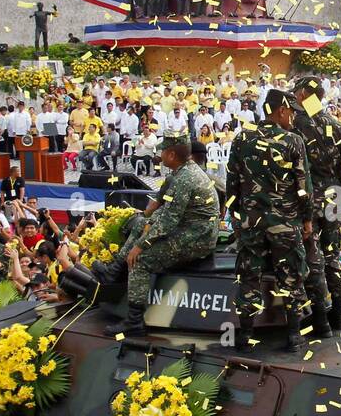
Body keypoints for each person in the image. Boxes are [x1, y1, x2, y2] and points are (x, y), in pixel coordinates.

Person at [106, 135, 218, 338]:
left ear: (172, 154)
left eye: (162, 151)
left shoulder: (186, 178)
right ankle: (115, 269)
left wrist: (139, 246)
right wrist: (147, 222)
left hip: (197, 238)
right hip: (189, 230)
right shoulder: (182, 172)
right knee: (141, 223)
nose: (160, 155)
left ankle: (134, 321)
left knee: (139, 260)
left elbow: (169, 222)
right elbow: (163, 211)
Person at [227, 89, 313, 351]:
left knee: (248, 276)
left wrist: (235, 216)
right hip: (284, 222)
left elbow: (232, 180)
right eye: (292, 113)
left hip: (250, 222)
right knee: (290, 277)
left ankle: (244, 335)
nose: (293, 119)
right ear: (282, 110)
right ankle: (294, 335)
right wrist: (307, 219)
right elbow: (303, 186)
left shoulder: (242, 138)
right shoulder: (292, 141)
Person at [292, 77, 341, 334]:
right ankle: (339, 316)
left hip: (309, 200)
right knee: (333, 256)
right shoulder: (338, 126)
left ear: (302, 95)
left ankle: (321, 320)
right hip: (335, 195)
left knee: (312, 258)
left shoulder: (296, 126)